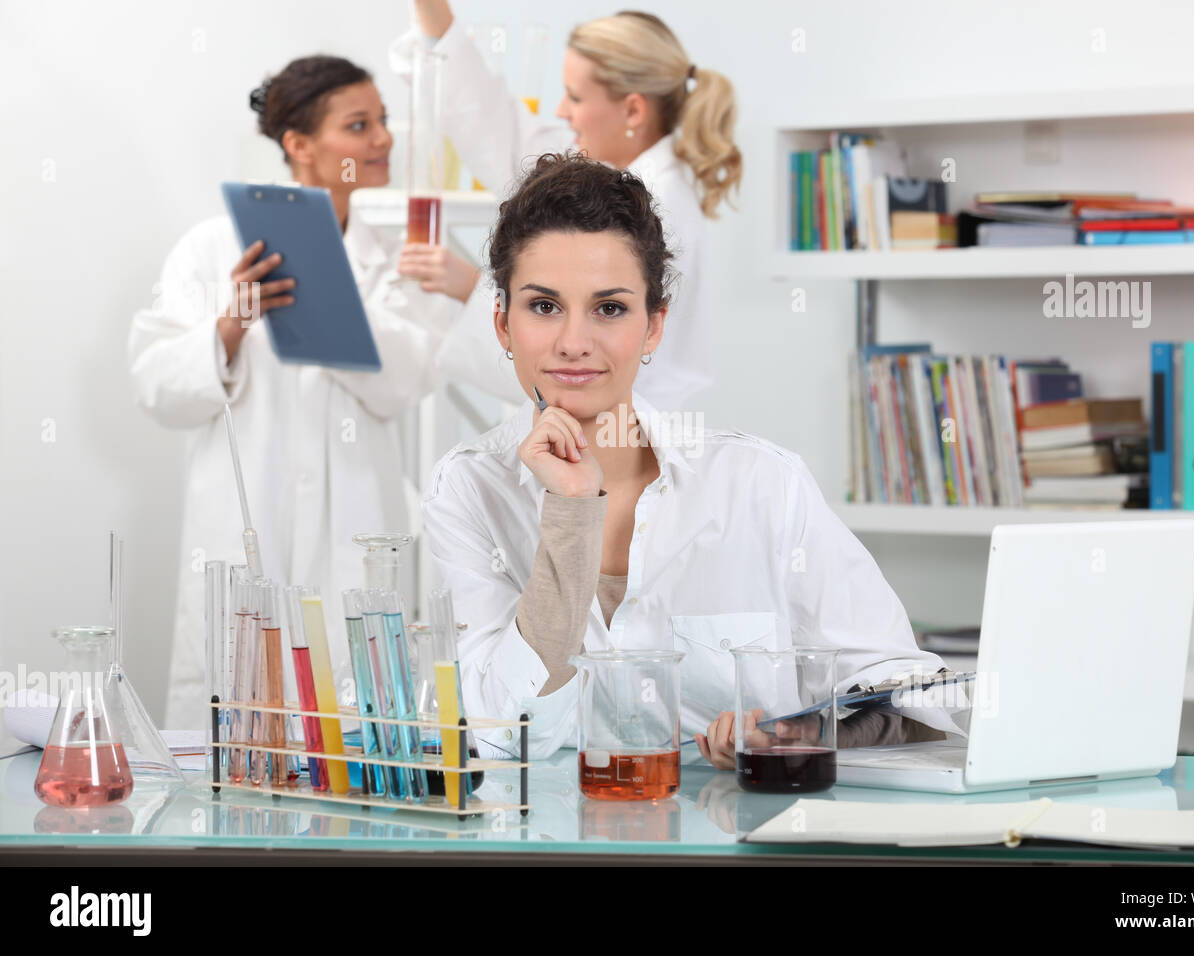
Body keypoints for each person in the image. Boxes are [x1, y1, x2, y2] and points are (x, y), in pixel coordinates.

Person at [421, 153, 951, 768]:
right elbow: (498, 736)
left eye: (610, 308)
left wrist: (802, 734)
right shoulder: (467, 490)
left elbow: (918, 698)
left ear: (653, 328)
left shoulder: (761, 484)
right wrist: (570, 514)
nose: (573, 341)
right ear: (503, 325)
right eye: (543, 306)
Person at [128, 55, 473, 729]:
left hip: (355, 538)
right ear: (299, 144)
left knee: (357, 740)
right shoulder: (210, 251)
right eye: (359, 124)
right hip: (244, 533)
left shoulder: (399, 263)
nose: (383, 140)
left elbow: (407, 383)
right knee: (242, 747)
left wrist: (326, 303)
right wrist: (227, 326)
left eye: (383, 121)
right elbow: (155, 386)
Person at [391, 0, 741, 408]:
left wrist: (475, 287)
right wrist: (434, 16)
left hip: (624, 437)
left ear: (632, 110)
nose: (561, 112)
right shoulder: (612, 174)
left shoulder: (660, 204)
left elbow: (598, 344)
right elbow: (502, 133)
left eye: (574, 97)